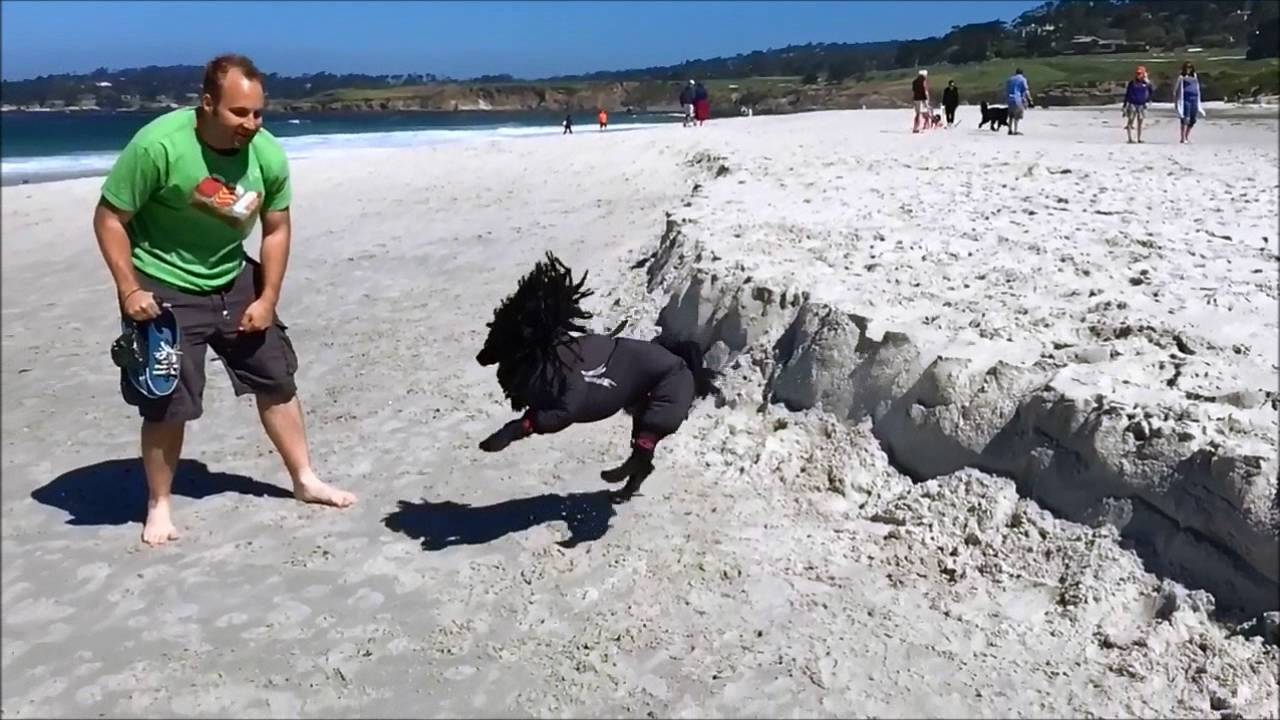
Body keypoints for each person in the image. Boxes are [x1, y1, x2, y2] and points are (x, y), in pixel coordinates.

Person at [92, 53, 356, 546]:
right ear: (208, 103)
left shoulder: (267, 154)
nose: (251, 124)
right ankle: (159, 504)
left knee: (277, 377)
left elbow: (276, 229)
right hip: (163, 285)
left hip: (233, 275)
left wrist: (268, 297)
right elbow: (109, 219)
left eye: (258, 113)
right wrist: (129, 288)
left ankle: (305, 479)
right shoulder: (158, 146)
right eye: (239, 112)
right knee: (167, 402)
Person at [474, 253, 718, 502]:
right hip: (636, 366)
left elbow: (567, 410)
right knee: (643, 425)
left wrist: (517, 428)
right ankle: (637, 472)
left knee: (648, 430)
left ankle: (637, 466)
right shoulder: (568, 354)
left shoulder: (574, 372)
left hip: (670, 381)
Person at [1173, 61, 1206, 144]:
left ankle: (1187, 135)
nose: (1189, 69)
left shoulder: (1194, 76)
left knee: (1193, 119)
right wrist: (1176, 101)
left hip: (1194, 99)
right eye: (1187, 67)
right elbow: (1176, 90)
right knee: (1185, 118)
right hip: (1185, 99)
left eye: (1190, 67)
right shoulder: (1181, 77)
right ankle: (1183, 138)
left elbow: (1197, 86)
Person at [1122, 65, 1154, 144]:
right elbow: (1127, 94)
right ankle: (1130, 138)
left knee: (1140, 121)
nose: (1138, 75)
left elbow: (1151, 91)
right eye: (1137, 73)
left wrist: (1148, 82)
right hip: (1132, 103)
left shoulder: (1146, 83)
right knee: (1131, 120)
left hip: (1141, 104)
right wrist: (1124, 105)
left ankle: (1139, 138)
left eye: (1140, 73)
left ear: (1143, 74)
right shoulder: (1132, 83)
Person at [1006, 67, 1032, 136]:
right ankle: (1015, 130)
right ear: (1022, 73)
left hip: (1010, 99)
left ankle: (1009, 129)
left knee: (1011, 115)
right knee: (1017, 116)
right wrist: (1030, 100)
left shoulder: (1010, 79)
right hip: (1017, 99)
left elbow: (1007, 89)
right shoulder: (1023, 79)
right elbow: (1026, 90)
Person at [911, 69, 930, 133]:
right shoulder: (923, 81)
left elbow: (914, 91)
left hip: (916, 99)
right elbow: (924, 91)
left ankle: (916, 127)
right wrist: (926, 100)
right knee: (925, 112)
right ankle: (924, 125)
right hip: (922, 99)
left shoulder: (914, 81)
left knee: (918, 114)